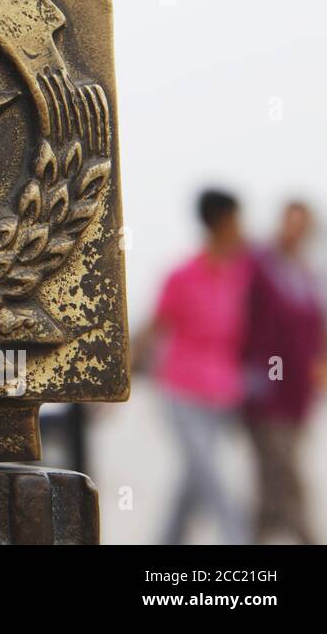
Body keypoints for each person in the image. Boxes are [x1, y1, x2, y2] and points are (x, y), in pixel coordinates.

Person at [139, 189, 252, 544]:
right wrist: (115, 379)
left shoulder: (242, 276)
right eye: (236, 220)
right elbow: (154, 327)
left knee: (193, 477)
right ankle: (238, 537)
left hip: (222, 393)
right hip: (182, 391)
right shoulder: (182, 274)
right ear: (220, 222)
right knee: (210, 474)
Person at [243, 201, 324, 543]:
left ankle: (259, 533)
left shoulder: (307, 275)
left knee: (273, 470)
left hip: (298, 390)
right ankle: (305, 533)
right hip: (266, 386)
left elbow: (315, 332)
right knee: (282, 465)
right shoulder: (258, 265)